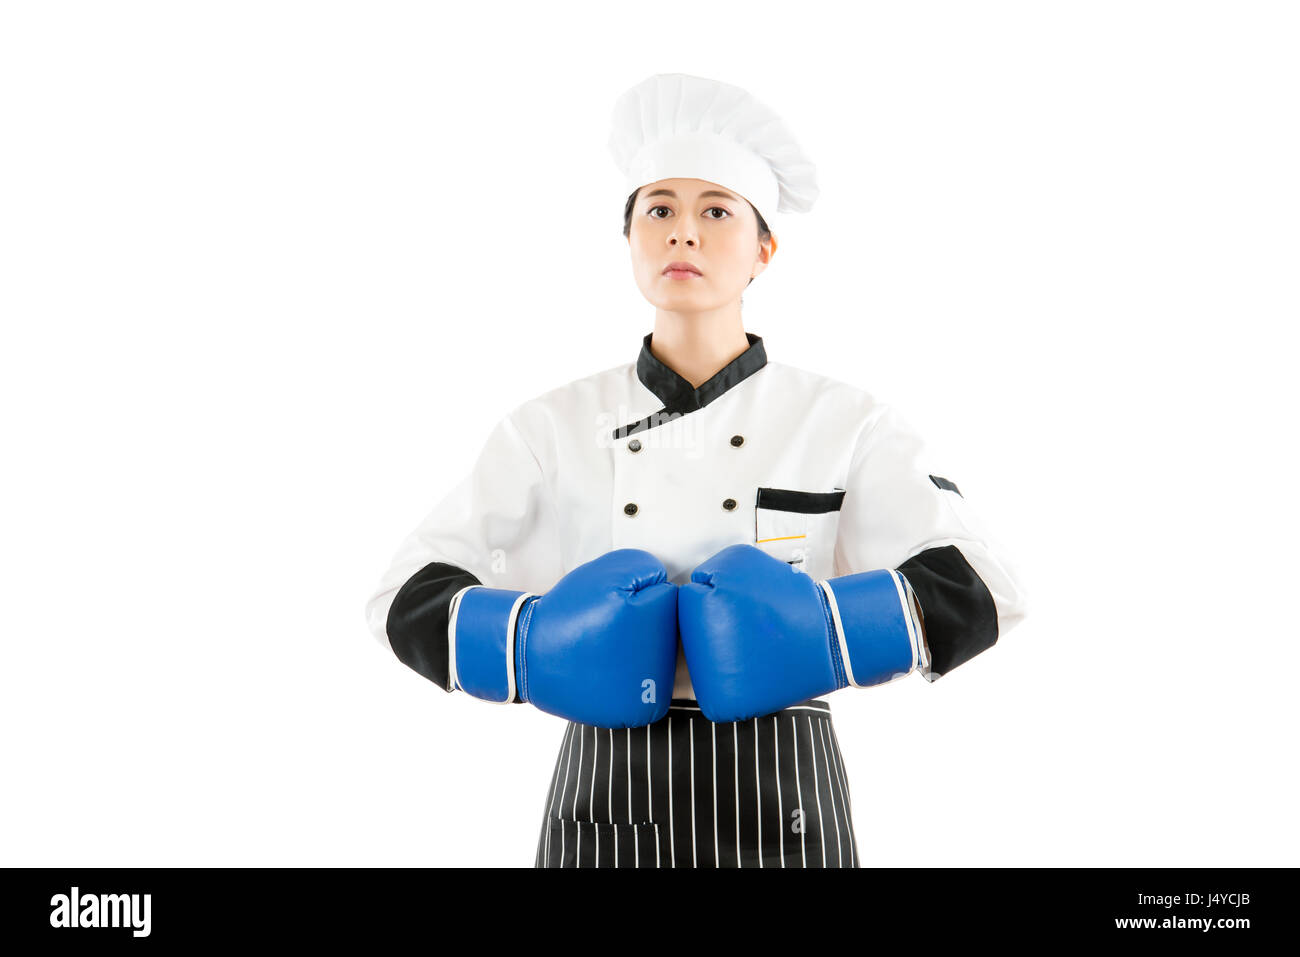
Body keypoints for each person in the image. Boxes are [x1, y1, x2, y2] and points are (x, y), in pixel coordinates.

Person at [364, 73, 1028, 868]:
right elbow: (402, 595)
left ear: (764, 248)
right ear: (630, 237)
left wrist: (825, 634)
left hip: (783, 801)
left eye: (717, 210)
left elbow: (987, 585)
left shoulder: (845, 423)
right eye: (660, 209)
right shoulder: (550, 429)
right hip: (605, 804)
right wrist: (533, 645)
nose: (684, 233)